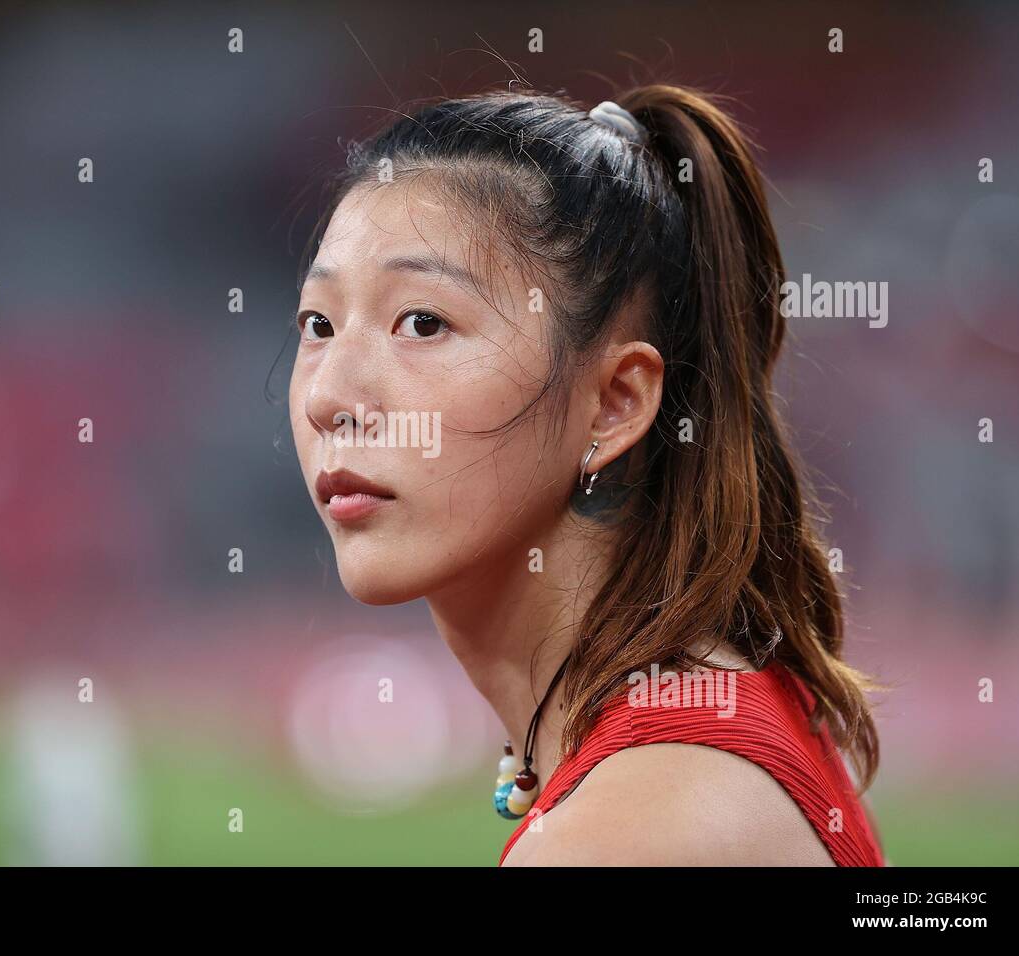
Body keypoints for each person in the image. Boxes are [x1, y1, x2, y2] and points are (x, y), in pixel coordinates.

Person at [287, 84, 883, 866]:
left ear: (613, 403)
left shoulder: (632, 831)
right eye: (318, 325)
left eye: (423, 323)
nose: (331, 396)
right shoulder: (707, 713)